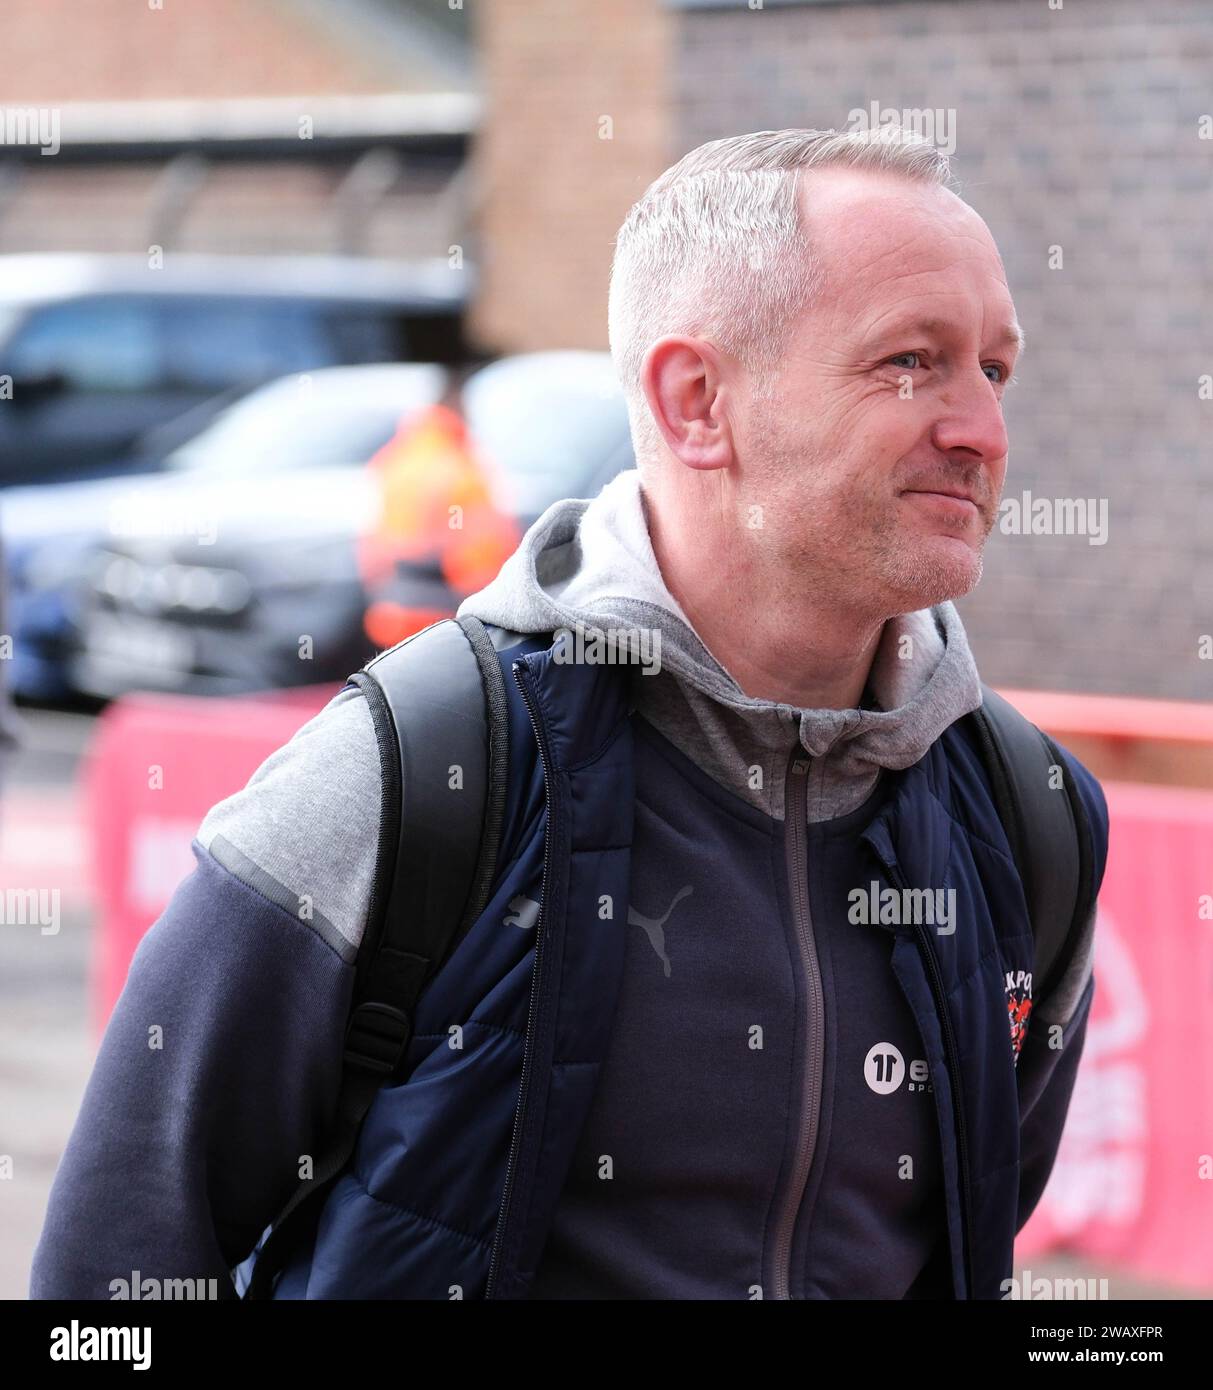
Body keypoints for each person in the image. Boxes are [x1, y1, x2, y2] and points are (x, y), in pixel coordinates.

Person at [31, 127, 1108, 1301]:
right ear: (697, 401)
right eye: (910, 362)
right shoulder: (416, 774)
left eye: (992, 370)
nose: (981, 432)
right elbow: (118, 1273)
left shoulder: (1031, 818)